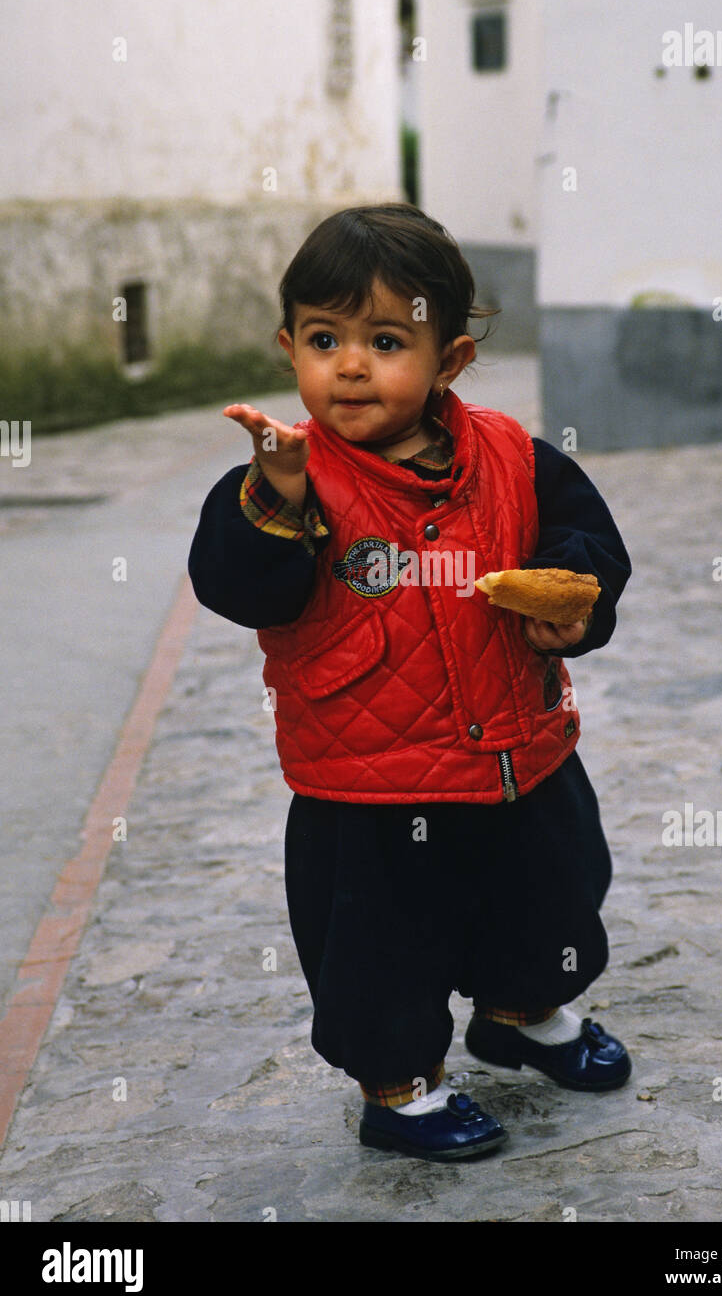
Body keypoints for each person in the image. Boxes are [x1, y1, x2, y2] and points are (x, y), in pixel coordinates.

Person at [188, 203, 633, 1162]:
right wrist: (273, 501)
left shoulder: (514, 457)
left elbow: (585, 542)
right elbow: (239, 587)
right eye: (324, 338)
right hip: (370, 785)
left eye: (385, 340)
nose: (350, 364)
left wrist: (579, 604)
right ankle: (399, 1088)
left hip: (520, 755)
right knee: (379, 948)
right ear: (288, 347)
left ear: (451, 361)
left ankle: (521, 1012)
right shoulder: (291, 484)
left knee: (551, 893)